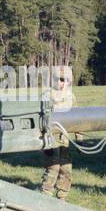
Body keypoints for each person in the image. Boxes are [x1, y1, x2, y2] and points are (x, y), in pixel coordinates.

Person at [40, 69, 77, 200]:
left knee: (66, 169)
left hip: (64, 139)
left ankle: (62, 197)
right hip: (51, 138)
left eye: (65, 80)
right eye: (60, 80)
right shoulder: (47, 95)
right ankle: (46, 196)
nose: (62, 83)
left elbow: (78, 117)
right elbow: (41, 118)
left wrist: (80, 137)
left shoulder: (70, 97)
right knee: (53, 168)